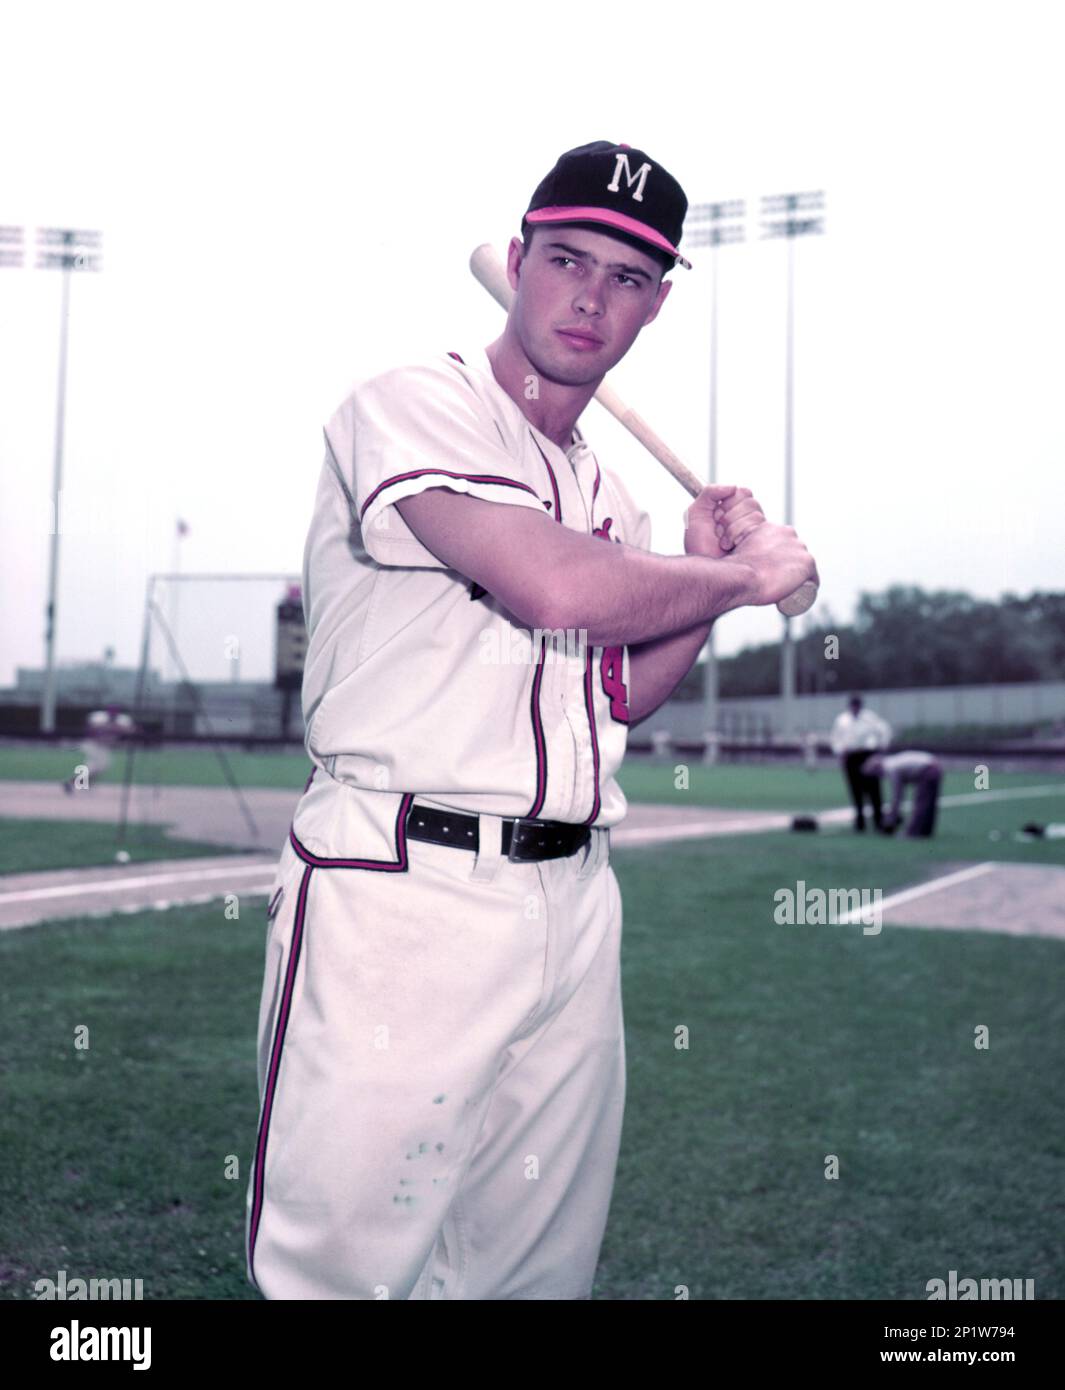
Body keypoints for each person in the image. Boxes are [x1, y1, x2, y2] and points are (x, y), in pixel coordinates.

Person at [244, 140, 818, 1301]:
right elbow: (552, 588)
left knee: (530, 1267)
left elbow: (612, 692)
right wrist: (743, 580)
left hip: (571, 895)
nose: (589, 297)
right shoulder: (410, 404)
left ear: (655, 304)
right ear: (516, 262)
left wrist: (696, 580)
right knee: (346, 1267)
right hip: (401, 884)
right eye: (566, 260)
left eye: (626, 278)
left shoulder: (607, 489)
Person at [829, 694, 891, 831]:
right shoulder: (842, 720)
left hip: (868, 755)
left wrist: (881, 750)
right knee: (855, 789)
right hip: (851, 757)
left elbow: (884, 731)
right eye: (853, 706)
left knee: (873, 789)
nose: (855, 708)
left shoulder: (870, 718)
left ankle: (878, 820)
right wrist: (840, 752)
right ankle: (860, 821)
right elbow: (835, 738)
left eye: (857, 705)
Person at [862, 749, 944, 837]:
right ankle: (925, 831)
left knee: (921, 803)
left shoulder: (890, 768)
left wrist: (892, 816)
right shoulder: (891, 762)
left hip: (928, 769)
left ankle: (912, 832)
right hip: (935, 766)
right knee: (929, 803)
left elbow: (897, 794)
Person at [61, 705, 135, 793]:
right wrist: (108, 728)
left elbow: (132, 730)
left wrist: (119, 728)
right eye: (111, 714)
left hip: (103, 747)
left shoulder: (122, 721)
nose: (112, 717)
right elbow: (91, 729)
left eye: (114, 715)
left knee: (99, 766)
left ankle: (81, 784)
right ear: (108, 714)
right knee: (97, 766)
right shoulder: (99, 718)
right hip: (92, 744)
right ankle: (74, 782)